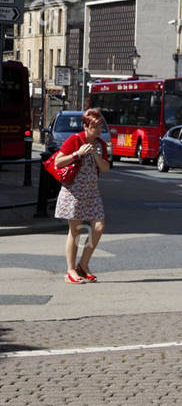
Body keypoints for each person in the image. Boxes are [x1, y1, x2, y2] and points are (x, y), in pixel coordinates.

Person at [53, 107, 111, 284]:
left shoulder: (100, 144)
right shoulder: (75, 140)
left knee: (99, 226)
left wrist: (94, 154)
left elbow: (105, 168)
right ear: (86, 126)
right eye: (96, 126)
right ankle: (71, 271)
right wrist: (77, 154)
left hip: (92, 192)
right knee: (75, 230)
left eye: (101, 126)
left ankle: (83, 265)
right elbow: (57, 161)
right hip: (74, 192)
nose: (100, 130)